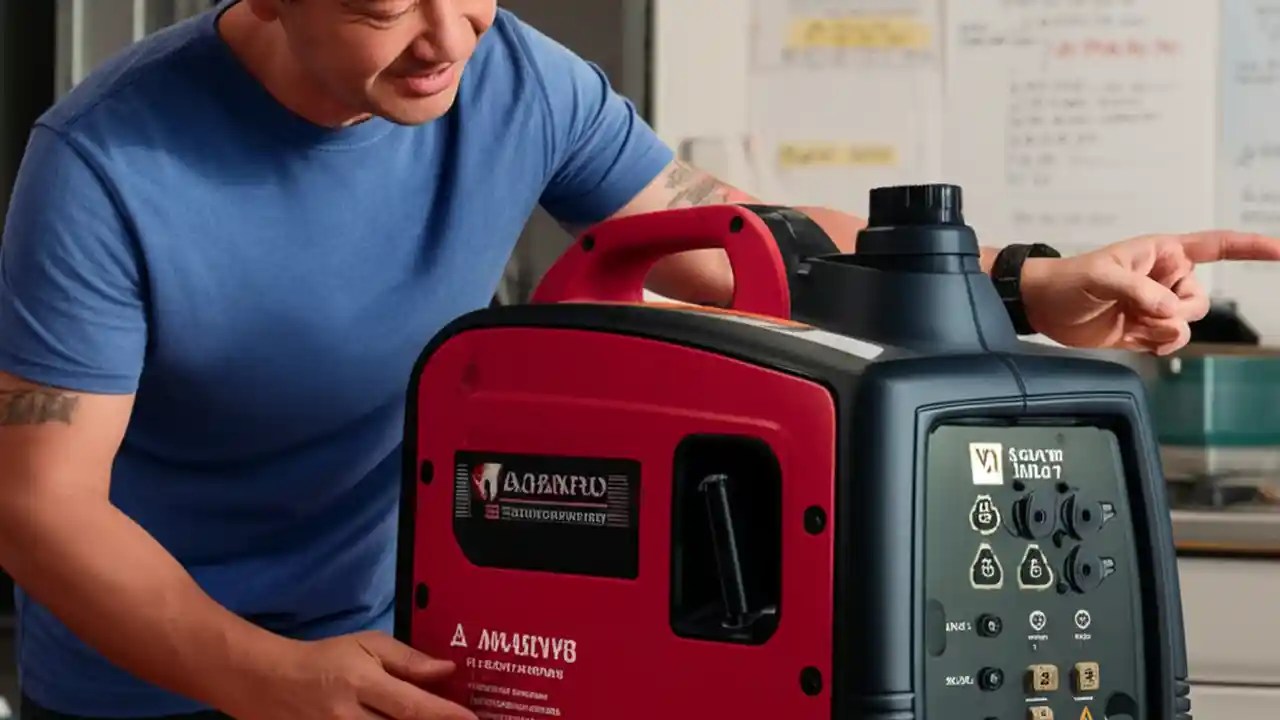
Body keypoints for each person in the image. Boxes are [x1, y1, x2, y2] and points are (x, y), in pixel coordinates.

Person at [0, 1, 1277, 718]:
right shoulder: (107, 164)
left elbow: (731, 238)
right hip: (152, 686)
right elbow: (39, 505)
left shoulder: (514, 79)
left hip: (400, 665)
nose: (447, 38)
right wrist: (263, 678)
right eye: (388, 7)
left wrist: (1021, 285)